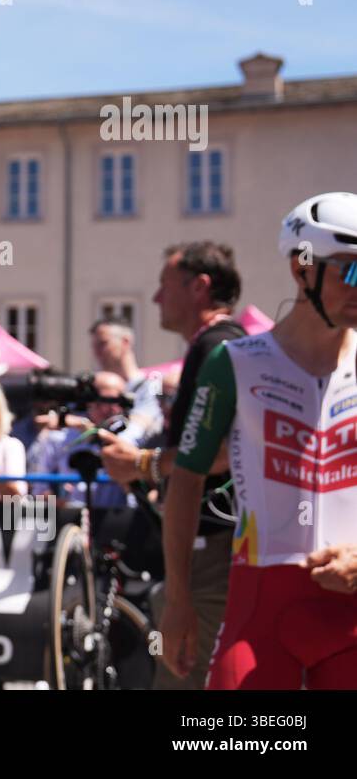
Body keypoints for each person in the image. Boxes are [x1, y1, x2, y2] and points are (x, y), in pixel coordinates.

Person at [164, 193, 357, 689]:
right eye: (350, 270)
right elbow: (184, 481)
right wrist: (178, 601)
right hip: (261, 611)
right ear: (302, 269)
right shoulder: (236, 363)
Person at [99, 241, 246, 689]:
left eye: (165, 285)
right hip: (210, 549)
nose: (157, 298)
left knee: (183, 677)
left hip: (211, 553)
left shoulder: (218, 348)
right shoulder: (220, 346)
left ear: (199, 287)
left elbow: (218, 453)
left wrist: (140, 463)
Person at [27, 372, 132, 508]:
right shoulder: (60, 436)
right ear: (89, 401)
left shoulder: (129, 435)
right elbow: (39, 486)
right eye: (102, 401)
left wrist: (93, 433)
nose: (110, 408)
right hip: (74, 518)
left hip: (117, 519)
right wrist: (65, 507)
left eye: (116, 402)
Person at [89, 317, 163, 444]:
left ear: (125, 342)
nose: (97, 352)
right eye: (94, 346)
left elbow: (138, 431)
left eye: (103, 344)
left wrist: (93, 432)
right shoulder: (94, 386)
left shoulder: (151, 387)